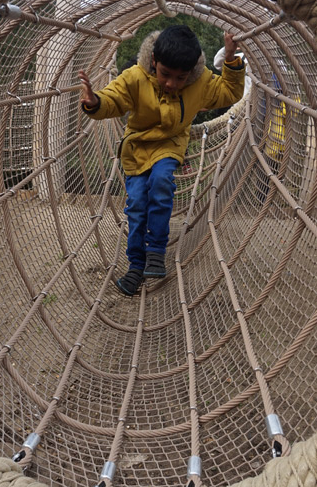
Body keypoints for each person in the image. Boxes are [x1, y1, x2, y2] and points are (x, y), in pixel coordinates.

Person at [79, 25, 245, 296]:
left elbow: (229, 92)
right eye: (165, 74)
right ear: (154, 61)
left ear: (191, 72)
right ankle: (136, 266)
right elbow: (114, 99)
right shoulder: (135, 77)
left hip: (170, 145)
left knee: (161, 182)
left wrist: (229, 59)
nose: (171, 83)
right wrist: (95, 102)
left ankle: (155, 251)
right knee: (136, 207)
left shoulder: (200, 82)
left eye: (181, 78)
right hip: (137, 149)